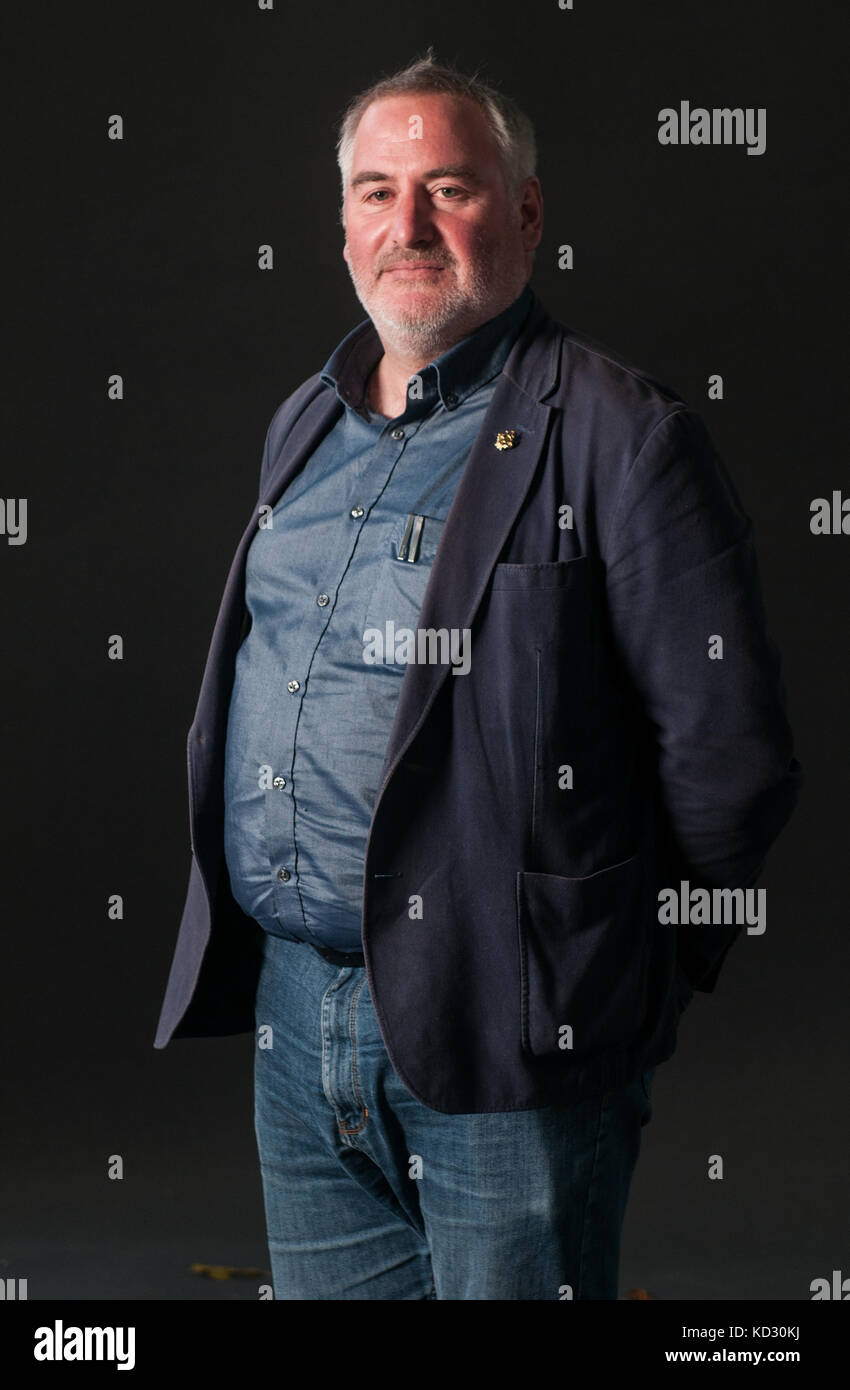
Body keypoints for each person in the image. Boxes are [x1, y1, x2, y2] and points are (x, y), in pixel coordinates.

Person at [154, 53, 802, 1299]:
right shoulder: (307, 419)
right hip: (299, 1017)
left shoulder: (625, 434)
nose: (406, 226)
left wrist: (606, 976)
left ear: (525, 212)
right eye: (375, 190)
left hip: (512, 1025)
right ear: (341, 218)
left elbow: (729, 759)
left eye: (447, 187)